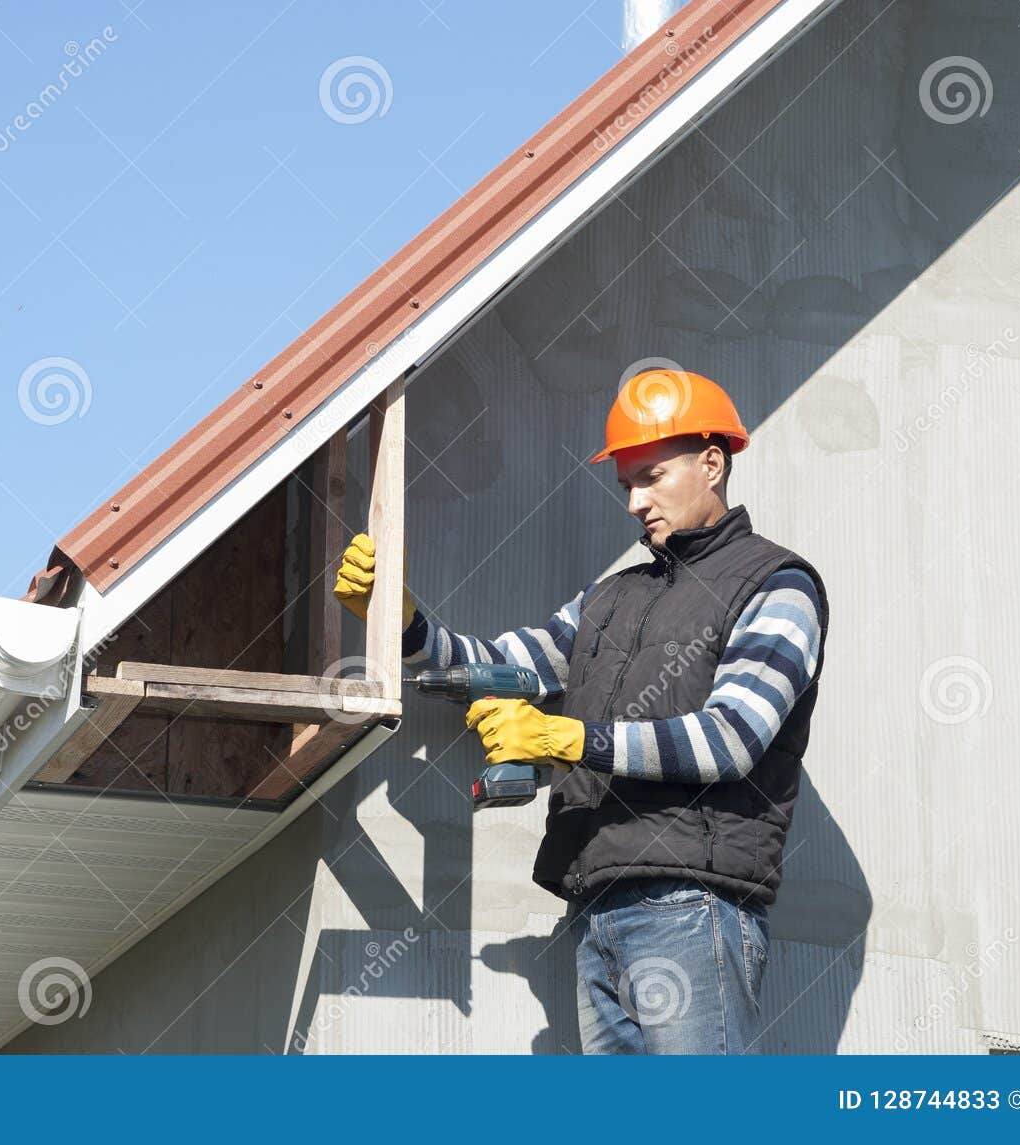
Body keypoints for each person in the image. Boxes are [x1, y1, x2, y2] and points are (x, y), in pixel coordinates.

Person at [335, 368, 830, 1054]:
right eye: (626, 481)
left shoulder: (777, 585)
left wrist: (564, 736)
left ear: (712, 463)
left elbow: (731, 739)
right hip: (596, 906)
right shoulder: (609, 598)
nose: (633, 501)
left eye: (651, 476)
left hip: (694, 905)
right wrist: (398, 618)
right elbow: (500, 666)